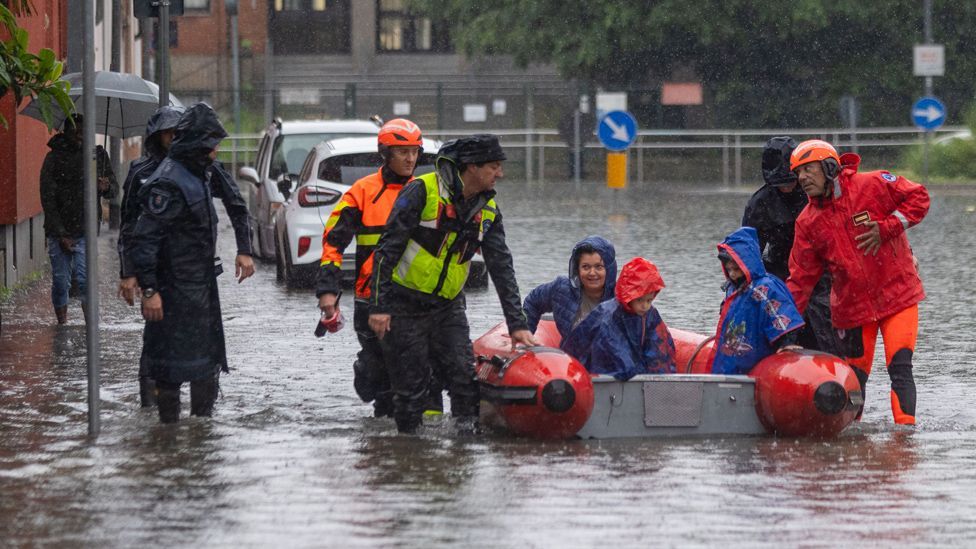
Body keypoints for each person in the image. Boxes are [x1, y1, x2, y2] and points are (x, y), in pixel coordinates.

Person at [368, 134, 539, 434]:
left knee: (464, 378)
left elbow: (502, 268)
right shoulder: (422, 191)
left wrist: (517, 324)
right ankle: (407, 453)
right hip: (404, 304)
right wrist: (379, 307)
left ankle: (465, 447)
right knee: (411, 388)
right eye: (494, 166)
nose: (500, 174)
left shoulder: (488, 210)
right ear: (471, 167)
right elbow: (386, 250)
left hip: (448, 308)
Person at [128, 103, 256, 424]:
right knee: (168, 367)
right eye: (213, 145)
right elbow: (144, 238)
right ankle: (168, 434)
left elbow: (235, 206)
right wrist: (149, 289)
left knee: (206, 363)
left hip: (200, 287)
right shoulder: (168, 182)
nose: (216, 152)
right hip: (172, 290)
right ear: (200, 144)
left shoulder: (199, 173)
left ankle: (202, 434)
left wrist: (244, 248)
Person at [786, 139, 929, 425]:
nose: (801, 178)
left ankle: (905, 441)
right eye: (798, 173)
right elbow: (800, 281)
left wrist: (888, 227)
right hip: (852, 310)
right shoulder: (807, 222)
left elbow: (920, 197)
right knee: (855, 378)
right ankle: (851, 437)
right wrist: (783, 329)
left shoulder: (872, 184)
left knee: (900, 368)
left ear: (829, 167)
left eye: (808, 169)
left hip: (898, 297)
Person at [315, 118, 434, 418]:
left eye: (415, 151)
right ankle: (384, 437)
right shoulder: (362, 192)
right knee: (380, 377)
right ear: (385, 153)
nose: (410, 159)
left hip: (414, 297)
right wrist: (328, 292)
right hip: (370, 297)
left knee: (418, 375)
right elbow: (333, 242)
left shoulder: (427, 192)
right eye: (402, 152)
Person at [742, 136, 842, 355]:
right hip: (780, 267)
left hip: (821, 267)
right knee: (773, 298)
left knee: (821, 310)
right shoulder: (760, 203)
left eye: (791, 181)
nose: (786, 187)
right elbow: (749, 251)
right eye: (780, 184)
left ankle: (831, 358)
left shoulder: (817, 192)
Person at [40, 113, 118, 324]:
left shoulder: (97, 157)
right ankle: (62, 324)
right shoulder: (54, 158)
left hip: (86, 229)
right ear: (66, 133)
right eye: (76, 132)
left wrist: (106, 186)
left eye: (85, 133)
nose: (81, 137)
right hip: (59, 231)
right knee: (60, 280)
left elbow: (113, 190)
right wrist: (61, 233)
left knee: (85, 280)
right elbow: (47, 198)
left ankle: (90, 326)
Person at [709, 226, 805, 375]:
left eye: (736, 269)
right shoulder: (733, 288)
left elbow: (782, 316)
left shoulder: (765, 288)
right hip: (734, 352)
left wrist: (787, 343)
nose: (732, 275)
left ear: (747, 264)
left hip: (757, 355)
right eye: (729, 270)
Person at [562, 257, 676, 380]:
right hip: (587, 366)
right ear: (629, 296)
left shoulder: (650, 314)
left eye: (649, 300)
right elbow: (615, 354)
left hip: (632, 363)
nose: (645, 305)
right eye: (639, 300)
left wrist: (660, 379)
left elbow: (659, 347)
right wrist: (637, 373)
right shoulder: (609, 316)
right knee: (623, 367)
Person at [522, 235, 617, 345]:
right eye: (586, 267)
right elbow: (533, 301)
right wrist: (526, 332)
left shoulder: (620, 297)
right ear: (577, 269)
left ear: (609, 269)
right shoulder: (562, 288)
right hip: (569, 359)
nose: (592, 273)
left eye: (598, 267)